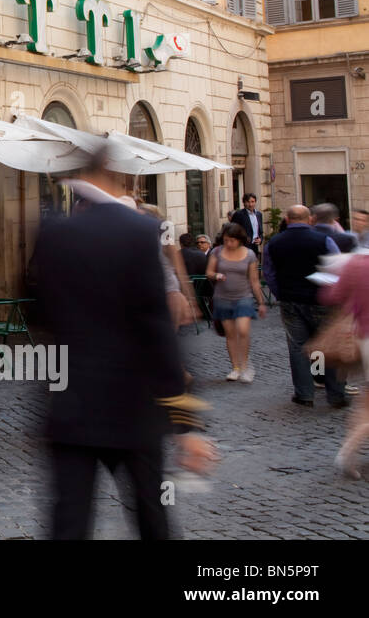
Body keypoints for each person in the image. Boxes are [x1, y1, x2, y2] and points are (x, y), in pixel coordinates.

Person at [31, 148, 216, 539]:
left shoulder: (53, 233)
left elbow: (42, 318)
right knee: (152, 514)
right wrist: (186, 424)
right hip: (133, 406)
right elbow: (157, 329)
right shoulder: (138, 231)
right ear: (117, 177)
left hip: (70, 403)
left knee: (69, 520)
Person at [266, 206, 347, 409]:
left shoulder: (274, 243)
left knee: (299, 346)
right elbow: (338, 268)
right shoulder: (323, 240)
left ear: (287, 218)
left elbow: (269, 273)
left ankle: (304, 393)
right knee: (325, 344)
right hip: (320, 299)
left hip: (290, 300)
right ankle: (335, 393)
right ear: (310, 219)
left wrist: (280, 293)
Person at [322, 251, 369, 477]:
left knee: (365, 402)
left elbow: (332, 295)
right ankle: (347, 451)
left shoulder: (356, 263)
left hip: (361, 337)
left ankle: (349, 451)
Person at [206, 223, 268, 383]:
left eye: (232, 240)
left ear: (240, 240)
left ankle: (246, 365)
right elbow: (209, 272)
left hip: (244, 297)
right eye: (226, 240)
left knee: (243, 330)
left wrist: (261, 302)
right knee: (231, 334)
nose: (229, 244)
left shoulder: (249, 255)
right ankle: (236, 368)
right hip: (223, 298)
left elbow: (254, 281)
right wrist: (216, 275)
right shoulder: (217, 252)